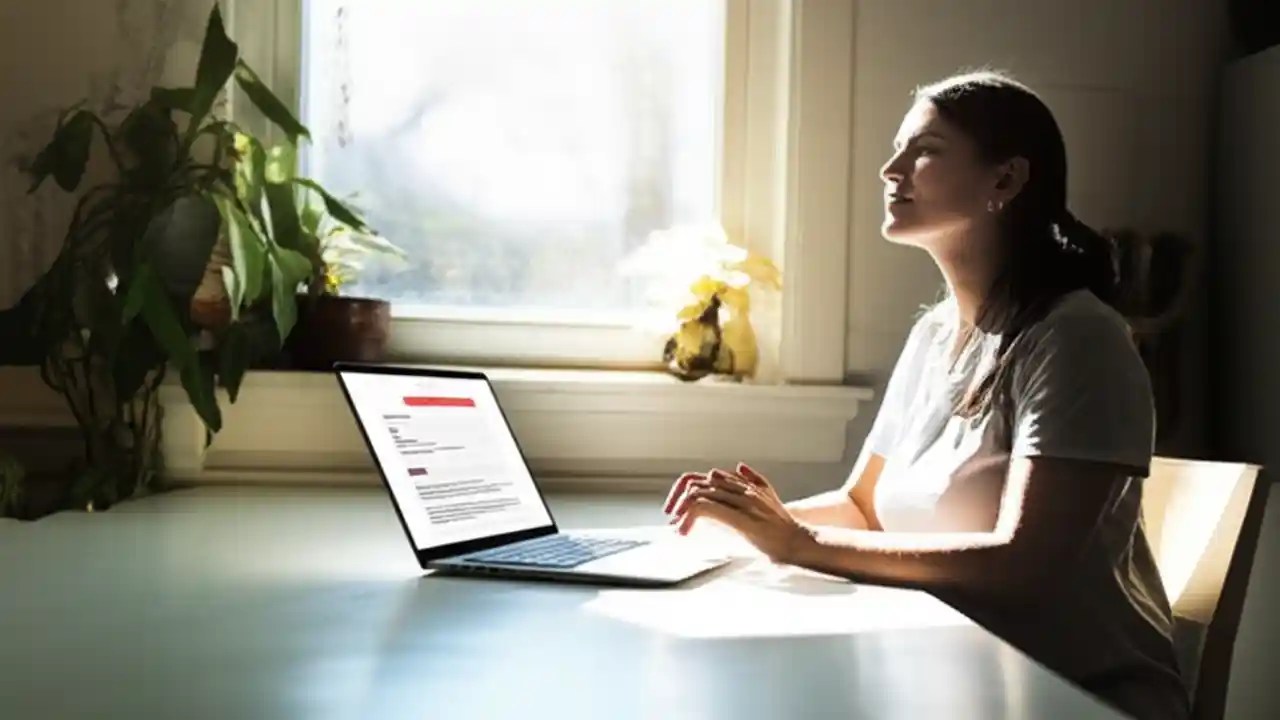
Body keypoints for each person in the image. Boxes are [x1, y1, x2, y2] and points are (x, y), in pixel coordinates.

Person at [663, 70, 1187, 720]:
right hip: (955, 680)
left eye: (925, 149)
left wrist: (798, 542)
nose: (891, 169)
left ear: (1005, 181)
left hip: (1078, 696)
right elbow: (862, 506)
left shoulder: (1078, 338)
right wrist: (737, 530)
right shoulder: (935, 334)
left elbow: (1025, 565)